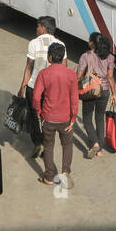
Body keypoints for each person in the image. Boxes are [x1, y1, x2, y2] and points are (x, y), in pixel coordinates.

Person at [32, 42, 78, 187]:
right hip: (66, 118)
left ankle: (49, 177)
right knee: (67, 145)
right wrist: (73, 118)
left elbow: (36, 97)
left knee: (49, 146)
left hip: (48, 118)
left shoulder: (43, 74)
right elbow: (74, 99)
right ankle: (65, 173)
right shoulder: (71, 74)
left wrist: (39, 112)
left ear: (50, 57)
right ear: (63, 56)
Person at [17, 16, 58, 159]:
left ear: (43, 28)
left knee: (35, 115)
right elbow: (62, 69)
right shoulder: (60, 44)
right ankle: (47, 145)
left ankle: (38, 142)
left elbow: (29, 66)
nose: (36, 29)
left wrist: (22, 86)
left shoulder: (33, 43)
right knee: (47, 117)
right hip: (51, 89)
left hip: (34, 87)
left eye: (37, 26)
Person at [77, 32, 116, 159]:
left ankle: (95, 144)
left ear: (93, 42)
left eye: (89, 40)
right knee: (99, 117)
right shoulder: (110, 57)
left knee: (87, 117)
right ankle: (100, 148)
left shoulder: (86, 56)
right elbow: (110, 77)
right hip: (104, 91)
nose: (88, 41)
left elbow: (79, 75)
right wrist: (114, 94)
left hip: (91, 90)